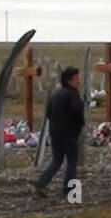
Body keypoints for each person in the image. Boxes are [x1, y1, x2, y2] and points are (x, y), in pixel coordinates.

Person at [34, 67, 85, 198]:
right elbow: (77, 112)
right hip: (69, 133)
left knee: (57, 160)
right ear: (68, 80)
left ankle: (41, 182)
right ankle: (69, 190)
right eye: (75, 79)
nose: (78, 81)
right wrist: (79, 126)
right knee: (72, 161)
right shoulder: (73, 94)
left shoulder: (56, 94)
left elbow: (49, 113)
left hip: (55, 132)